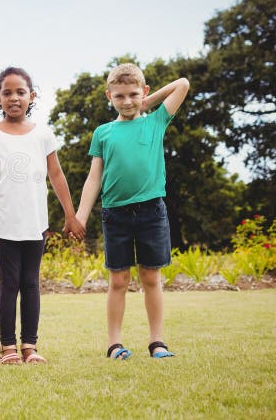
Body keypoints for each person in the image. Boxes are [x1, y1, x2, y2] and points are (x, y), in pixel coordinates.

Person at [0, 67, 85, 365]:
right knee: (9, 283)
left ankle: (29, 346)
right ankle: (8, 348)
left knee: (30, 283)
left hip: (36, 223)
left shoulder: (43, 133)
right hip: (4, 223)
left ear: (32, 96)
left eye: (20, 92)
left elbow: (56, 175)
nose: (14, 98)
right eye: (7, 92)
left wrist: (71, 214)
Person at [76, 63, 189, 360]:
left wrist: (145, 104)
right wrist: (80, 216)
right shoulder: (103, 132)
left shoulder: (156, 121)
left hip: (152, 212)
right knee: (118, 281)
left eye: (133, 95)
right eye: (120, 96)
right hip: (115, 214)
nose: (127, 101)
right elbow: (94, 177)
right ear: (108, 96)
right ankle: (115, 344)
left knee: (151, 278)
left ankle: (157, 343)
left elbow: (183, 83)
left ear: (145, 93)